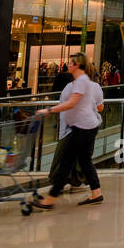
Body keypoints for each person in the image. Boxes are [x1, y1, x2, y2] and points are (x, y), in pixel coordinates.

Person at [32, 53, 105, 209]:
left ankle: (50, 199)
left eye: (70, 63)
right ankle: (97, 193)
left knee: (66, 162)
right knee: (85, 161)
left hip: (83, 128)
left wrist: (48, 110)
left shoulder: (80, 82)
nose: (67, 65)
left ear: (77, 65)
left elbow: (71, 103)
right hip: (86, 126)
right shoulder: (82, 82)